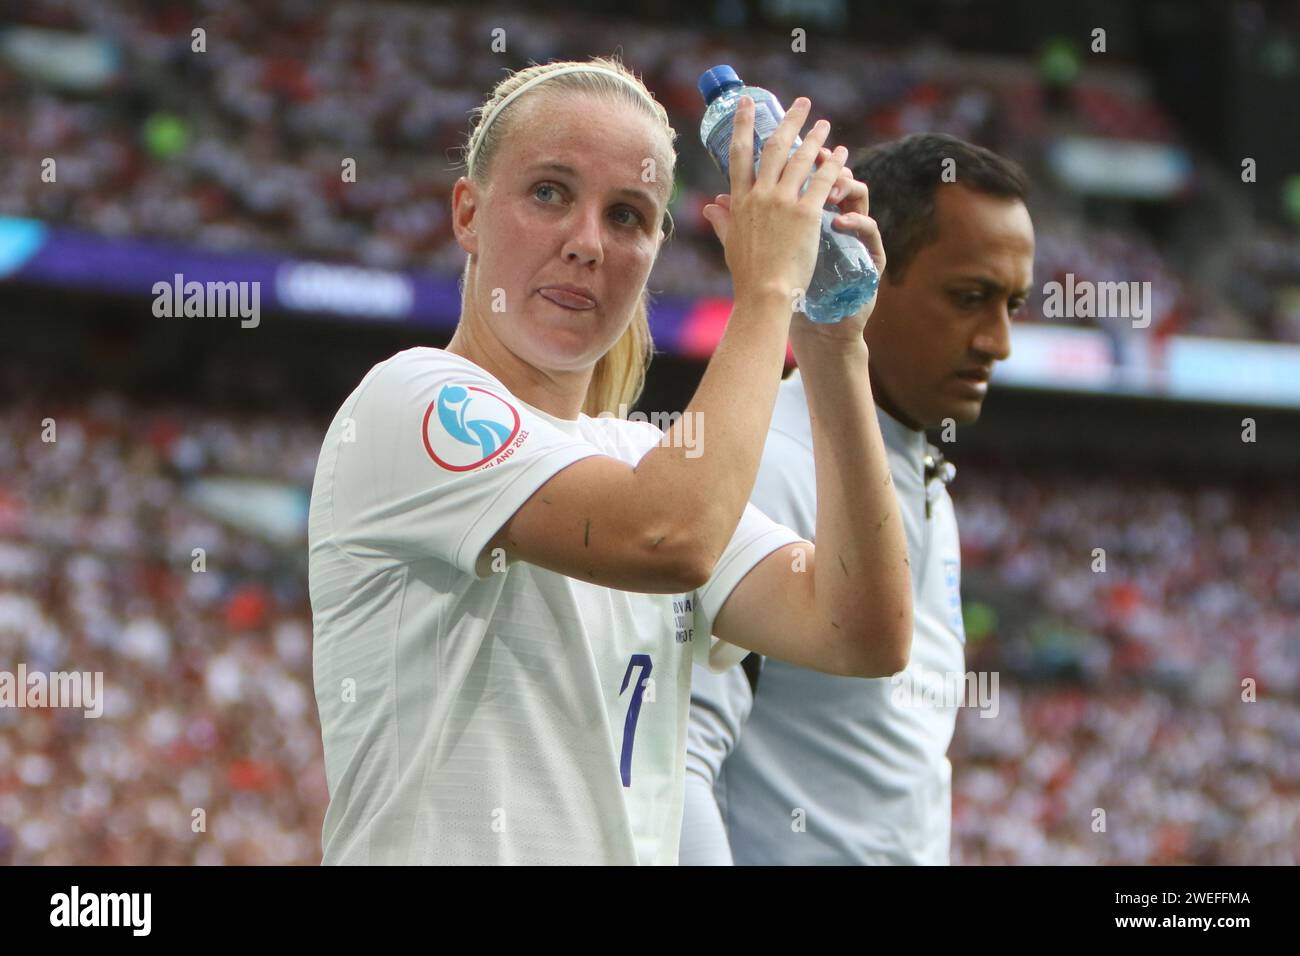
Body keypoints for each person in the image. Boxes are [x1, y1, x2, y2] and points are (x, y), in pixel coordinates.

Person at [307, 56, 910, 865]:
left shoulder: (640, 458)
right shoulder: (412, 401)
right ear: (468, 214)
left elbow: (861, 631)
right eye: (549, 192)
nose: (587, 243)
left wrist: (831, 346)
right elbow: (666, 535)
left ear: (657, 247)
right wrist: (766, 291)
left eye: (627, 216)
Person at [681, 133, 1035, 865]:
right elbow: (680, 762)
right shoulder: (773, 465)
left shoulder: (920, 464)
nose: (999, 341)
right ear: (864, 269)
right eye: (969, 298)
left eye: (1013, 304)